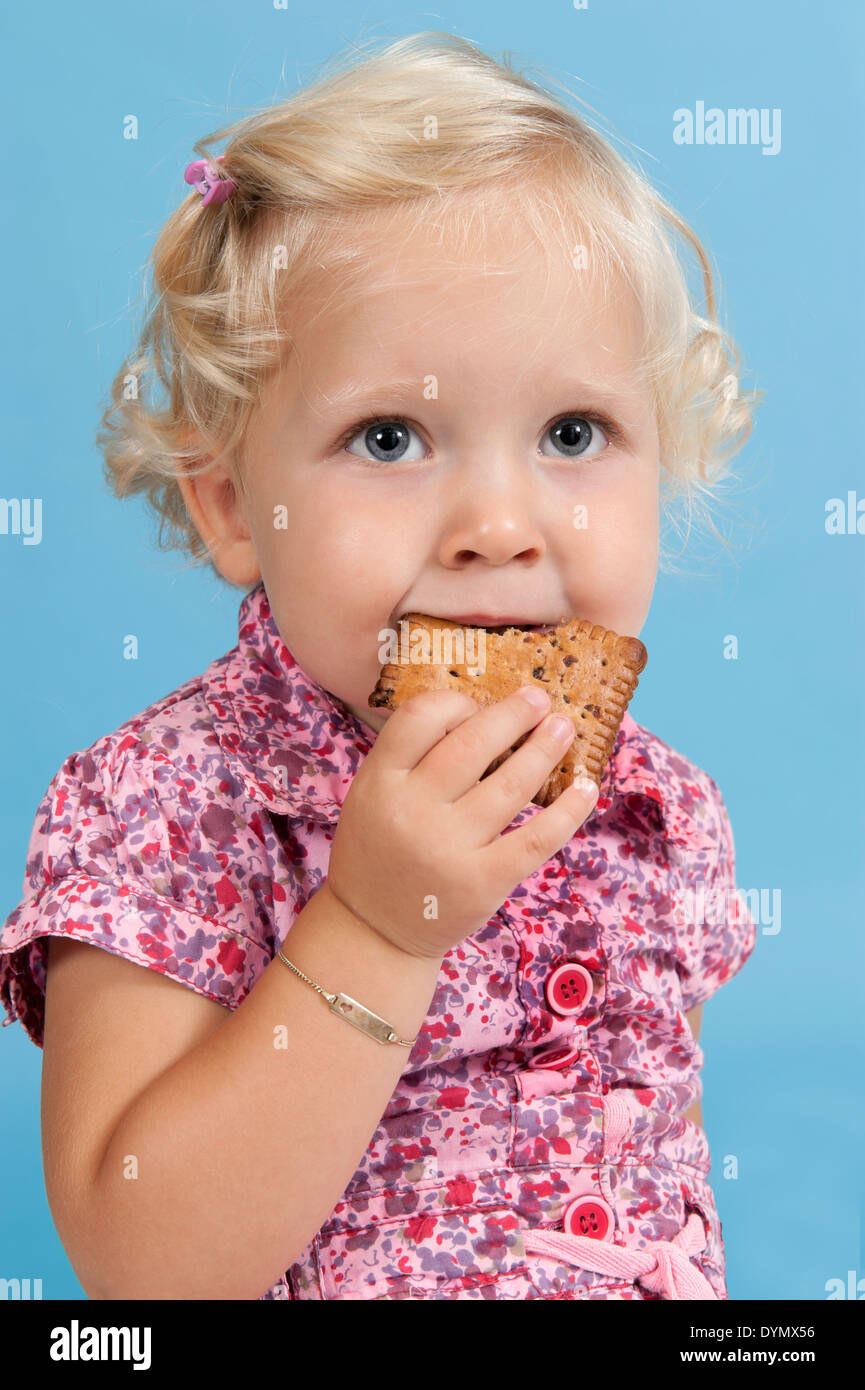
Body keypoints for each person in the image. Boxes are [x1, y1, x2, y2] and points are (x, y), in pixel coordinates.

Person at [0, 31, 760, 1300]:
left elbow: (650, 1168)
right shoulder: (164, 810)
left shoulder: (655, 809)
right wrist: (372, 930)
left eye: (574, 430)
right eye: (391, 436)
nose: (498, 524)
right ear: (234, 507)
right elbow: (141, 1267)